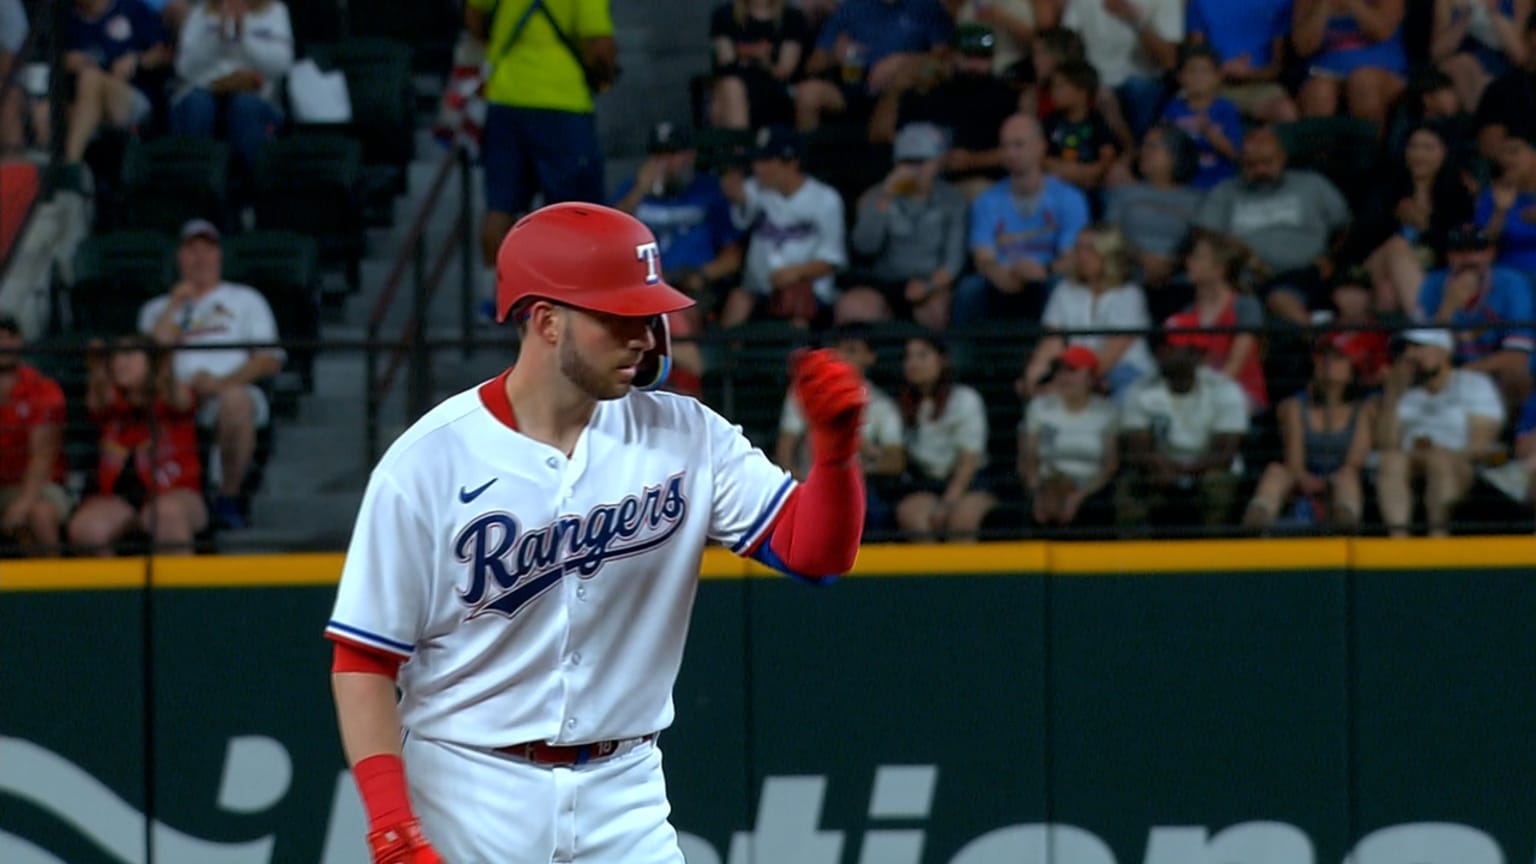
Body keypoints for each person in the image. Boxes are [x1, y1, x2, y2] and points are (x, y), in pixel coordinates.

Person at [324, 202, 866, 863]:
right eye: (619, 316)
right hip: (467, 790)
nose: (645, 334)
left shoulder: (687, 434)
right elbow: (364, 660)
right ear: (547, 322)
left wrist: (835, 458)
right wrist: (390, 822)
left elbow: (815, 554)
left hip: (624, 790)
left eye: (650, 313)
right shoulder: (429, 461)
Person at [465, 0, 617, 304]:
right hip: (562, 103)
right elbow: (598, 45)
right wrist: (604, 77)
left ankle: (493, 298)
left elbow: (473, 16)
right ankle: (569, 297)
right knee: (572, 211)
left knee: (500, 207)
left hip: (505, 97)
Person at [139, 219, 284, 529]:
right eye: (191, 250)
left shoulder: (246, 300)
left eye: (207, 249)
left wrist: (219, 384)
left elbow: (268, 360)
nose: (200, 257)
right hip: (172, 396)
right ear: (179, 258)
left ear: (219, 256)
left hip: (227, 390)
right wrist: (176, 304)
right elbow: (149, 359)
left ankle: (228, 497)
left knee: (236, 401)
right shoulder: (157, 309)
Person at [612, 122, 742, 389]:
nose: (665, 163)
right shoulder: (634, 191)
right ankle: (692, 370)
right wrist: (639, 190)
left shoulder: (709, 192)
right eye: (658, 155)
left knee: (670, 313)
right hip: (644, 288)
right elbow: (608, 239)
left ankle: (689, 384)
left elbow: (732, 257)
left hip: (693, 287)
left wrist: (701, 274)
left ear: (690, 155)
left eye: (672, 154)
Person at [1195, 126, 1352, 324]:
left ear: (1283, 157)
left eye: (1267, 163)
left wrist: (1331, 257)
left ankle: (1324, 343)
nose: (1260, 170)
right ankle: (1318, 342)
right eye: (1251, 165)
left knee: (1345, 298)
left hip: (1308, 271)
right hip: (1250, 278)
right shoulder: (1225, 193)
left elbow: (1345, 227)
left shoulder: (1313, 185)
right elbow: (1204, 236)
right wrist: (1231, 248)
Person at [67, 335, 206, 555]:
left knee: (166, 513)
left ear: (152, 363)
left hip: (176, 491)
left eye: (130, 355)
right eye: (115, 356)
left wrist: (163, 365)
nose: (119, 362)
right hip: (119, 497)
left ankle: (178, 589)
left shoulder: (172, 395)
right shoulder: (111, 401)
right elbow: (97, 399)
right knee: (86, 528)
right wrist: (96, 365)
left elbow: (179, 399)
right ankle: (114, 588)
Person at [953, 113, 1090, 325]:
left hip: (1047, 274)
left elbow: (1072, 256)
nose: (1010, 153)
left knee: (1062, 285)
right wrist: (999, 273)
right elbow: (983, 257)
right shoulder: (986, 201)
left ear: (1040, 147)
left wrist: (1043, 271)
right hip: (1002, 277)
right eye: (1005, 146)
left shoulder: (1069, 198)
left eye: (1018, 145)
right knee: (969, 290)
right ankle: (961, 358)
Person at [1375, 327, 1506, 536]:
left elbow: (1480, 445)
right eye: (1406, 348)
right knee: (1391, 460)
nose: (1409, 355)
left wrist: (1437, 452)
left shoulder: (1473, 384)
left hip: (1460, 465)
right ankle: (1398, 542)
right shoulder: (1405, 392)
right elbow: (1386, 444)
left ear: (1444, 351)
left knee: (1439, 461)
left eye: (1418, 347)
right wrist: (1392, 395)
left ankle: (1439, 539)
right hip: (1411, 462)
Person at [774, 323, 903, 534]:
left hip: (858, 490)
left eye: (851, 350)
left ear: (870, 357)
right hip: (809, 485)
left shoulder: (881, 405)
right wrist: (797, 485)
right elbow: (785, 449)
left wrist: (855, 446)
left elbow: (895, 462)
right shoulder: (806, 392)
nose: (841, 356)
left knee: (871, 509)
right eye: (837, 350)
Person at [837, 122, 968, 329]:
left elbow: (953, 262)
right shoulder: (877, 195)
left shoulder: (952, 200)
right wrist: (885, 198)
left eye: (921, 161)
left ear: (937, 163)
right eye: (907, 162)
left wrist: (929, 286)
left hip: (930, 282)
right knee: (852, 307)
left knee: (935, 312)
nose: (914, 169)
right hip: (883, 282)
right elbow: (864, 246)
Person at [1243, 333, 1376, 532]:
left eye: (1338, 358)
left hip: (1342, 483)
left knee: (1347, 476)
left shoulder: (1364, 410)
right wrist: (1306, 480)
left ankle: (1345, 530)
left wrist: (1329, 483)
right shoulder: (1294, 407)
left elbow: (1355, 462)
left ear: (1353, 369)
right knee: (1276, 472)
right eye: (1323, 357)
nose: (1327, 363)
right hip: (1301, 480)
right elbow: (1294, 462)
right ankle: (1255, 527)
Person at [1116, 335, 1250, 530]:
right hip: (1160, 469)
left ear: (1196, 355)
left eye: (1172, 348)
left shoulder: (1224, 388)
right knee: (1130, 485)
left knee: (1217, 482)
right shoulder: (1140, 388)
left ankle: (1213, 555)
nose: (1162, 353)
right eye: (1162, 347)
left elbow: (1225, 453)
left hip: (1208, 469)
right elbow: (1139, 446)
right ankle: (1134, 557)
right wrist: (1160, 466)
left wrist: (1185, 472)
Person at [718, 125, 846, 328]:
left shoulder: (825, 199)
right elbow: (740, 219)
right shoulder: (755, 188)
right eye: (757, 161)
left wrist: (796, 273)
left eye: (767, 161)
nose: (758, 169)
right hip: (758, 290)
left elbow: (832, 260)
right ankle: (725, 359)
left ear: (792, 162)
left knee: (796, 307)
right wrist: (736, 196)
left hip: (807, 291)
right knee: (737, 301)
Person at [1020, 224, 1156, 399]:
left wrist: (1062, 385)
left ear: (1109, 254)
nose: (1082, 256)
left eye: (1090, 249)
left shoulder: (1129, 295)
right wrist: (1033, 379)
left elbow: (1110, 355)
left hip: (1123, 373)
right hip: (1076, 375)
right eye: (1079, 248)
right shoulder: (1065, 290)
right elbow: (1051, 344)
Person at [1357, 123, 1475, 315]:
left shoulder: (1457, 196)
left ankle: (1407, 340)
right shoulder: (1388, 190)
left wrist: (1426, 227)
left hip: (1430, 271)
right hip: (1375, 266)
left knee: (1388, 292)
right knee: (1397, 245)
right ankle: (1426, 326)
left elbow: (1457, 246)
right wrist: (1393, 217)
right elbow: (1362, 238)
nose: (1419, 154)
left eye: (1428, 148)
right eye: (1413, 146)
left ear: (1444, 153)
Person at [794, 0, 952, 142]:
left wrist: (902, 60)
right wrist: (834, 56)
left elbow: (943, 58)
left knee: (902, 85)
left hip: (899, 86)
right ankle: (807, 164)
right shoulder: (851, 7)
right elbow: (813, 65)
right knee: (807, 94)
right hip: (853, 83)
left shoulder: (927, 7)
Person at [896, 22, 1022, 200]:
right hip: (928, 176)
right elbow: (899, 138)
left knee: (977, 191)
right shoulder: (934, 91)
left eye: (982, 57)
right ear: (953, 56)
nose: (975, 64)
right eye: (969, 56)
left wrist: (973, 160)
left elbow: (1018, 150)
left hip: (981, 181)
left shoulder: (1004, 97)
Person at [1415, 222, 1535, 408]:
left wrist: (1463, 373)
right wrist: (1447, 307)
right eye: (1460, 251)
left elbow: (1516, 356)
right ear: (1449, 256)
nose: (1468, 258)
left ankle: (1511, 431)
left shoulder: (1512, 284)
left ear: (1490, 254)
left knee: (1515, 372)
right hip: (1447, 375)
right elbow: (1423, 350)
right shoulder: (1433, 285)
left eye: (1476, 249)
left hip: (1492, 374)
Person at [169, 0, 294, 175]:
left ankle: (252, 188)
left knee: (245, 106)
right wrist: (215, 39)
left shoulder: (275, 11)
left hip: (256, 95)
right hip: (204, 91)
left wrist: (245, 39)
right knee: (198, 106)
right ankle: (193, 183)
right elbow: (184, 67)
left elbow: (281, 65)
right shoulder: (200, 13)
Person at [892, 333, 995, 541]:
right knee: (912, 516)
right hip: (927, 483)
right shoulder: (902, 406)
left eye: (922, 356)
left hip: (970, 482)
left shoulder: (965, 400)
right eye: (908, 357)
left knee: (961, 521)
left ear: (942, 360)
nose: (913, 363)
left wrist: (948, 503)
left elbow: (969, 460)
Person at [1164, 229, 1270, 413]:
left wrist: (1201, 397)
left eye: (1198, 257)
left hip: (1239, 392)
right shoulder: (1187, 312)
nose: (1189, 262)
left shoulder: (1245, 306)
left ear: (1220, 269)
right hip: (1196, 394)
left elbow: (1235, 363)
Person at [1018, 345, 1119, 530]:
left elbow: (1109, 466)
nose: (1063, 377)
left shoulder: (1106, 412)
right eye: (1059, 371)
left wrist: (1080, 496)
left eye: (1071, 370)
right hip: (1047, 484)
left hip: (1090, 488)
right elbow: (1028, 458)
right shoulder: (1039, 407)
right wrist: (1036, 493)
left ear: (1090, 377)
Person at [1104, 122, 1203, 310]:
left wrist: (1172, 264)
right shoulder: (1124, 194)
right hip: (1127, 277)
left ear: (1176, 155)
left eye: (1153, 147)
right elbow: (1110, 234)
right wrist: (1143, 259)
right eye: (1144, 146)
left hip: (1183, 280)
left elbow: (1202, 239)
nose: (1143, 151)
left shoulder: (1199, 200)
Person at [63, 0, 173, 165]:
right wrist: (64, 62)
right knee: (44, 112)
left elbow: (164, 54)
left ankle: (70, 165)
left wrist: (136, 60)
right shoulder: (67, 19)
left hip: (129, 97)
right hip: (84, 105)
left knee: (90, 78)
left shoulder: (131, 8)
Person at [1059, 0, 1183, 140]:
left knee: (1139, 88)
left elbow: (1169, 60)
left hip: (1142, 81)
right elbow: (1067, 40)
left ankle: (1139, 151)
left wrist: (1136, 21)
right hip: (1094, 80)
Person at [0, 315, 69, 556]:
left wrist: (24, 503)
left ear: (21, 342)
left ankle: (55, 586)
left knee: (39, 513)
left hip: (41, 485)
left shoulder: (43, 388)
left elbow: (43, 456)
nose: (4, 343)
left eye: (11, 336)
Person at [1292, 0, 1408, 123]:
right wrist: (1323, 6)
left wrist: (1354, 4)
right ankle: (1320, 140)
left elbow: (1382, 31)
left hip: (1381, 70)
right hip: (1324, 71)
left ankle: (1369, 140)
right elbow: (1302, 47)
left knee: (1363, 82)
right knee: (1320, 93)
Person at [1184, 0, 1299, 123]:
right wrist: (1220, 71)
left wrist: (1249, 74)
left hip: (1258, 85)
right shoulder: (1200, 3)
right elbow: (1195, 59)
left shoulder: (1281, 3)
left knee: (1286, 112)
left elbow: (1277, 68)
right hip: (1210, 83)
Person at [708, 0, 812, 129]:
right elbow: (726, 61)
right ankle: (739, 146)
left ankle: (739, 145)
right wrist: (753, 53)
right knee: (729, 87)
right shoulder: (724, 15)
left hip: (775, 87)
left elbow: (785, 70)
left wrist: (763, 62)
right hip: (736, 82)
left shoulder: (792, 17)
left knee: (727, 93)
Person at [1160, 41, 1244, 190]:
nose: (1198, 77)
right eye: (1192, 71)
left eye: (1205, 71)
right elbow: (1163, 149)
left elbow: (1236, 154)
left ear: (1218, 77)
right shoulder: (1172, 108)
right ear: (1180, 77)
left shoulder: (1226, 109)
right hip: (1182, 185)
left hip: (1219, 184)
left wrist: (1211, 134)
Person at [1432, 0, 1533, 112]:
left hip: (1503, 70)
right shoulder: (1446, 2)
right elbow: (1437, 53)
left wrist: (1492, 13)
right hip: (1459, 72)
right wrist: (1466, 18)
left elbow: (1521, 57)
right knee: (1460, 65)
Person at [1041, 58, 1120, 199]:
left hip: (1090, 184)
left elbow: (1107, 159)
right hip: (1055, 183)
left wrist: (1082, 173)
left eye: (1059, 87)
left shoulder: (1096, 121)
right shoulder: (1050, 122)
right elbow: (1040, 157)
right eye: (1052, 87)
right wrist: (1067, 171)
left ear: (1082, 91)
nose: (1053, 92)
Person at [1476, 122, 1536, 271]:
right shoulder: (1492, 194)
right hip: (1506, 275)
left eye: (1514, 152)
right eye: (1503, 153)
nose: (1506, 160)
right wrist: (1500, 212)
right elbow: (1481, 244)